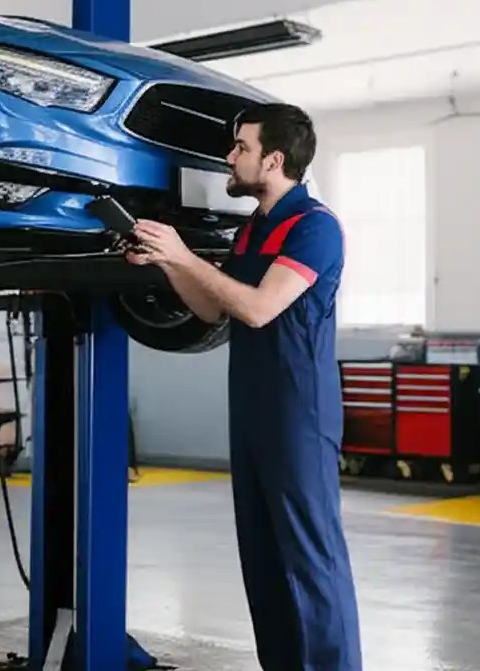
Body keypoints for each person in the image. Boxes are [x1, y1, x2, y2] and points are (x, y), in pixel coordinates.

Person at [126, 102, 363, 670]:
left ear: (274, 160)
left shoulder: (315, 228)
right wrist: (167, 262)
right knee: (261, 553)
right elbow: (212, 309)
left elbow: (257, 309)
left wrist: (185, 255)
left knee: (310, 556)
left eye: (240, 148)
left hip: (298, 410)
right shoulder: (255, 228)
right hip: (254, 404)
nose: (230, 158)